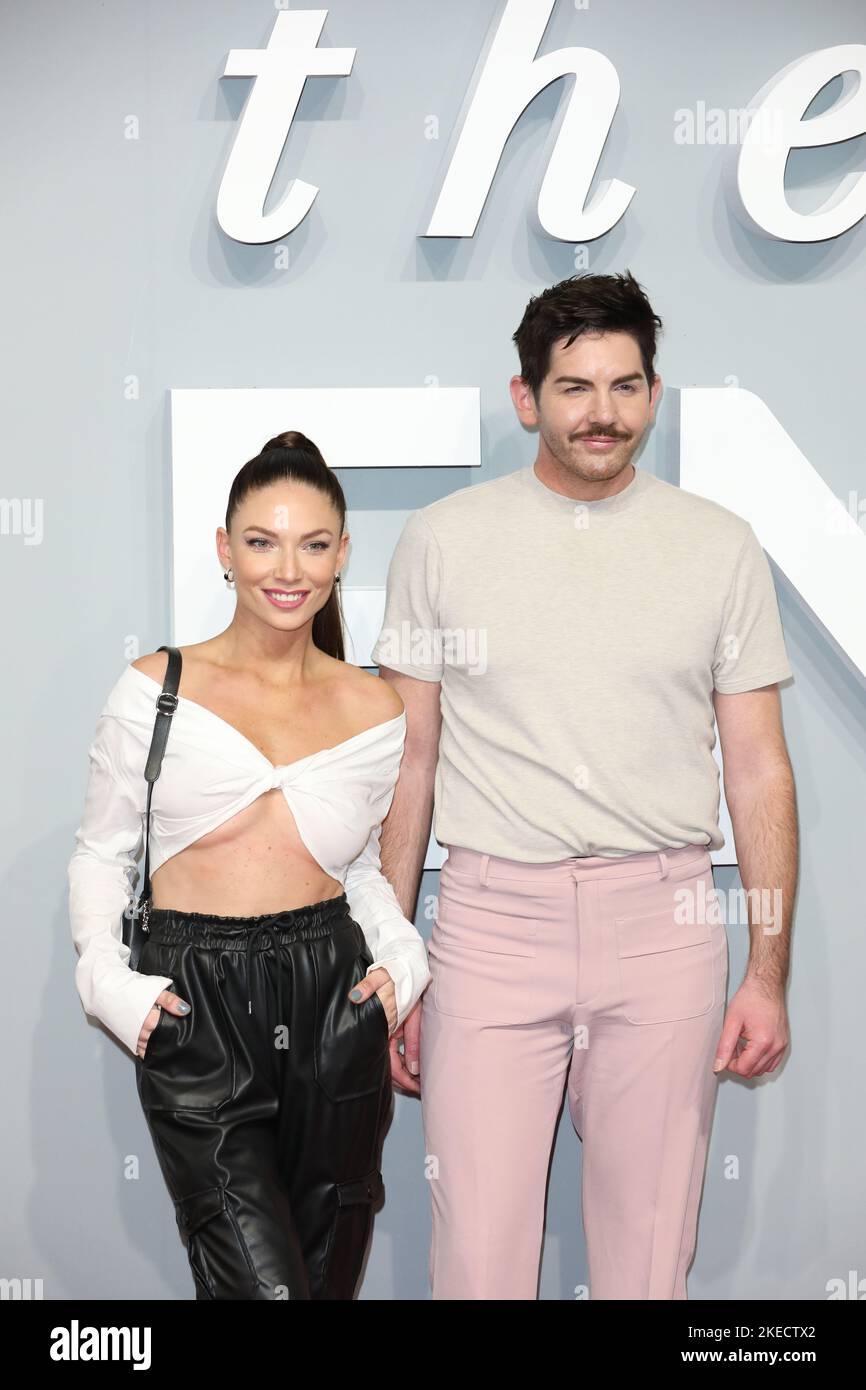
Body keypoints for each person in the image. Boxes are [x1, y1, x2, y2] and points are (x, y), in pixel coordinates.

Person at [371, 271, 796, 1300]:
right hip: (485, 922)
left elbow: (757, 768)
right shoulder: (441, 539)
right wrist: (394, 959)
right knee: (475, 1260)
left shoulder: (717, 545)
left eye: (622, 385)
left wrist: (765, 970)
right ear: (526, 398)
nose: (599, 413)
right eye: (572, 387)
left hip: (665, 919)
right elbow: (409, 760)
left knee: (648, 1264)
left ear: (654, 394)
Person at [68, 430, 431, 1300]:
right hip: (197, 1002)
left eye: (313, 544)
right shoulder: (157, 688)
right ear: (225, 550)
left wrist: (402, 964)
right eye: (263, 541)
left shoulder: (373, 705)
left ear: (343, 554)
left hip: (332, 999)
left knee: (323, 1281)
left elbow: (361, 871)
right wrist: (110, 985)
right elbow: (102, 854)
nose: (288, 568)